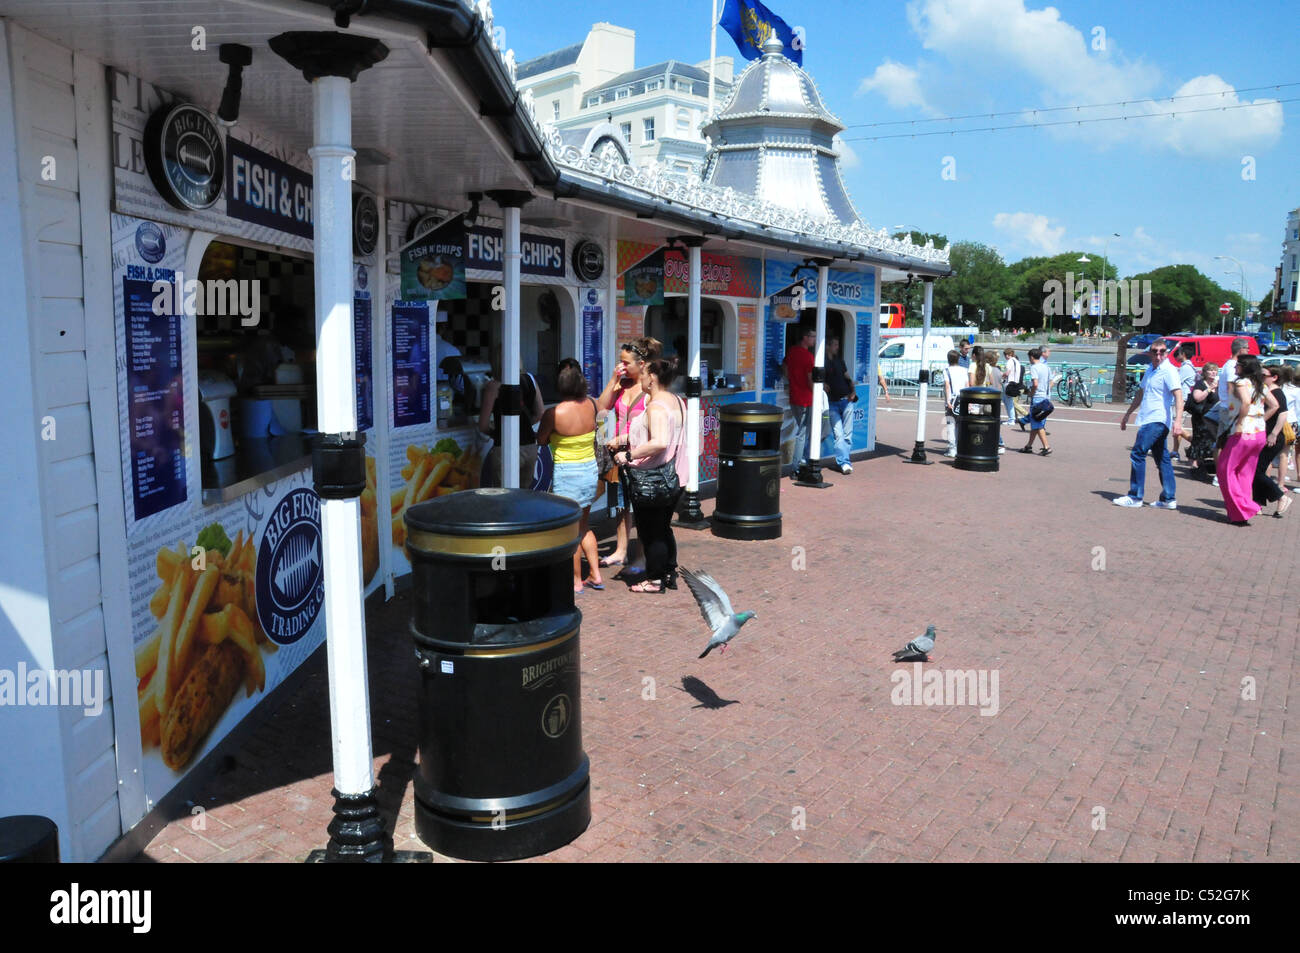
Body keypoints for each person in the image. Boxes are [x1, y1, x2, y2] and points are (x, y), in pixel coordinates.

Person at [614, 356, 688, 593]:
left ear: (653, 378)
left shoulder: (656, 406)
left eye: (644, 374)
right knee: (663, 527)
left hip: (654, 478)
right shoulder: (676, 401)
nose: (641, 378)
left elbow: (659, 441)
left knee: (651, 531)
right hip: (676, 475)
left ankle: (655, 579)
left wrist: (628, 455)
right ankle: (668, 571)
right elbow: (654, 432)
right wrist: (622, 439)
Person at [537, 361, 604, 593]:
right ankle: (595, 574)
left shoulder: (553, 413)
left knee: (570, 531)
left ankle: (575, 581)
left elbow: (541, 439)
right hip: (589, 470)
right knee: (584, 525)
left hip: (567, 474)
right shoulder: (592, 406)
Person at [595, 337, 660, 571]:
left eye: (625, 362)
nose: (621, 366)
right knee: (622, 504)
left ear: (641, 364)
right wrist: (614, 378)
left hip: (642, 454)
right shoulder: (622, 384)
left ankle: (641, 556)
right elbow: (602, 407)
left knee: (641, 507)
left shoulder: (652, 388)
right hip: (619, 454)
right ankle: (621, 551)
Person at [1112, 340, 1184, 508]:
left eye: (1162, 352)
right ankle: (1168, 498)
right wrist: (1128, 414)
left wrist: (1178, 421)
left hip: (1157, 419)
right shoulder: (1150, 370)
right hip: (1150, 418)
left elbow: (1179, 397)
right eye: (1155, 352)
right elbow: (1141, 393)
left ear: (1167, 353)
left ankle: (1136, 496)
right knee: (1162, 458)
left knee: (1138, 453)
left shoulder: (1169, 371)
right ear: (1150, 353)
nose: (1158, 355)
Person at [478, 367, 545, 488]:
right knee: (523, 497)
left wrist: (496, 433)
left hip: (505, 449)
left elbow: (483, 425)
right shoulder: (530, 379)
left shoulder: (493, 386)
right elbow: (540, 413)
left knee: (504, 498)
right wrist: (523, 426)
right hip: (529, 447)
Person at [1211, 337, 1253, 488]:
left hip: (1226, 407)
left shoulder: (1230, 365)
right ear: (1241, 350)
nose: (1248, 351)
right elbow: (1231, 389)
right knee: (1225, 442)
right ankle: (1221, 474)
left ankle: (1222, 473)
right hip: (1228, 409)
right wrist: (1234, 408)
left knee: (1223, 441)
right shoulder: (1232, 367)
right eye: (1247, 348)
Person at [1250, 364, 1291, 517]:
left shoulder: (1277, 392)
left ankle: (1280, 497)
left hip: (1273, 437)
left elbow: (1283, 414)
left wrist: (1274, 433)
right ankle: (1258, 503)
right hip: (1263, 435)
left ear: (1274, 377)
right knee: (1257, 470)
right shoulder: (1266, 391)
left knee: (1256, 470)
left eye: (1264, 375)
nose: (1260, 378)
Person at [784, 325, 816, 475]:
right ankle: (796, 466)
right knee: (802, 433)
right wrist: (818, 394)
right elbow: (811, 381)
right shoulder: (809, 357)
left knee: (801, 431)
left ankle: (800, 461)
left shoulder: (791, 352)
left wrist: (791, 380)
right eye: (813, 336)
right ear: (805, 338)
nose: (815, 340)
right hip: (806, 399)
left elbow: (784, 368)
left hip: (794, 397)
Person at [824, 337, 858, 474]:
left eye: (837, 344)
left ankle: (844, 460)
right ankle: (844, 462)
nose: (837, 347)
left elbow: (847, 377)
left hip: (846, 400)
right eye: (835, 344)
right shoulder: (822, 362)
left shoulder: (840, 361)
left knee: (847, 435)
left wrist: (853, 391)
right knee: (839, 434)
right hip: (832, 402)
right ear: (828, 346)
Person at [1186, 362, 1219, 476]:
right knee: (1199, 440)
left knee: (1211, 441)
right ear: (1205, 372)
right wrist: (1209, 389)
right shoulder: (1201, 384)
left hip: (1214, 418)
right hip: (1201, 418)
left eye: (1215, 370)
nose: (1213, 372)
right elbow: (1197, 398)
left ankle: (1204, 464)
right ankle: (1194, 465)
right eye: (1211, 370)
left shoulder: (1218, 385)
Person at [1017, 347, 1052, 455]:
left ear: (1031, 357)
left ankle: (1047, 447)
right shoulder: (1046, 367)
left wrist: (1031, 393)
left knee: (1037, 424)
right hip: (1045, 397)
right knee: (1035, 422)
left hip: (1037, 397)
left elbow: (1035, 383)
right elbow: (1050, 382)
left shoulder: (1034, 368)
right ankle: (1028, 446)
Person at [1169, 343, 1197, 462]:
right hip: (1183, 399)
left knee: (1177, 425)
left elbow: (1176, 382)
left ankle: (1196, 442)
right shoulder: (1188, 367)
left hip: (1182, 399)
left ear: (1183, 355)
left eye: (1179, 354)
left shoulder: (1186, 368)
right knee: (1177, 425)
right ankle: (1175, 451)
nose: (1176, 356)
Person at [974, 351, 1005, 454]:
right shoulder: (998, 371)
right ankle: (998, 443)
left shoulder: (988, 369)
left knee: (984, 421)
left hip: (988, 398)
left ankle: (998, 443)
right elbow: (999, 385)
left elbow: (987, 383)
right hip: (996, 398)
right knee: (993, 422)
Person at [941, 348, 969, 458]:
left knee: (950, 424)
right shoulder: (964, 370)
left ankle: (952, 449)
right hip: (962, 398)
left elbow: (947, 385)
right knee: (960, 425)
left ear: (948, 359)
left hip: (952, 399)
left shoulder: (946, 370)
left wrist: (948, 400)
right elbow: (967, 385)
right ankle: (959, 447)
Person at [1002, 347, 1023, 425]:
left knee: (1008, 401)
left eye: (1006, 355)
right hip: (1015, 383)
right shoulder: (1017, 361)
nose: (1005, 356)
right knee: (1008, 400)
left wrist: (1002, 375)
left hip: (1008, 383)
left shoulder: (1009, 361)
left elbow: (1007, 373)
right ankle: (1011, 418)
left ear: (1009, 354)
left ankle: (1011, 419)